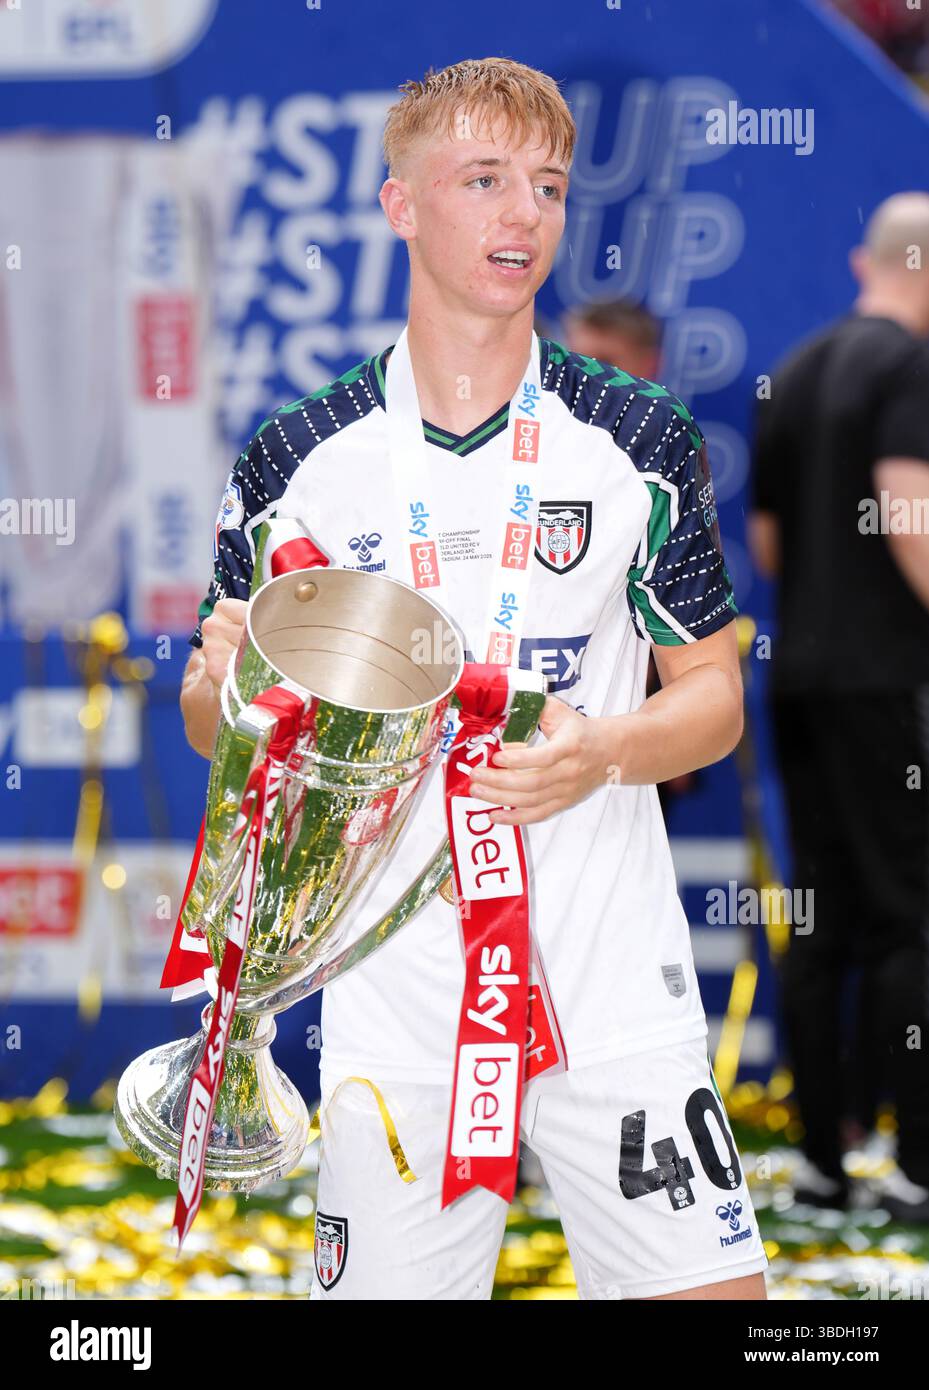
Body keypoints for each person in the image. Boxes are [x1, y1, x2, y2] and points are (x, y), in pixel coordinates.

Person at [183, 57, 767, 1300]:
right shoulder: (299, 455)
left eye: (548, 187)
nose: (523, 217)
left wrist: (601, 752)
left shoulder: (637, 439)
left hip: (608, 980)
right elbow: (212, 711)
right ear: (399, 203)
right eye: (485, 181)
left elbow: (712, 696)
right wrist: (227, 687)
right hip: (395, 998)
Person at [748, 192, 929, 1220]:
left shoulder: (799, 365)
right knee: (909, 915)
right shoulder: (905, 367)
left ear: (866, 258)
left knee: (819, 923)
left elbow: (769, 549)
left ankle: (821, 1160)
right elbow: (908, 515)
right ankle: (913, 1163)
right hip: (884, 680)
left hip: (800, 680)